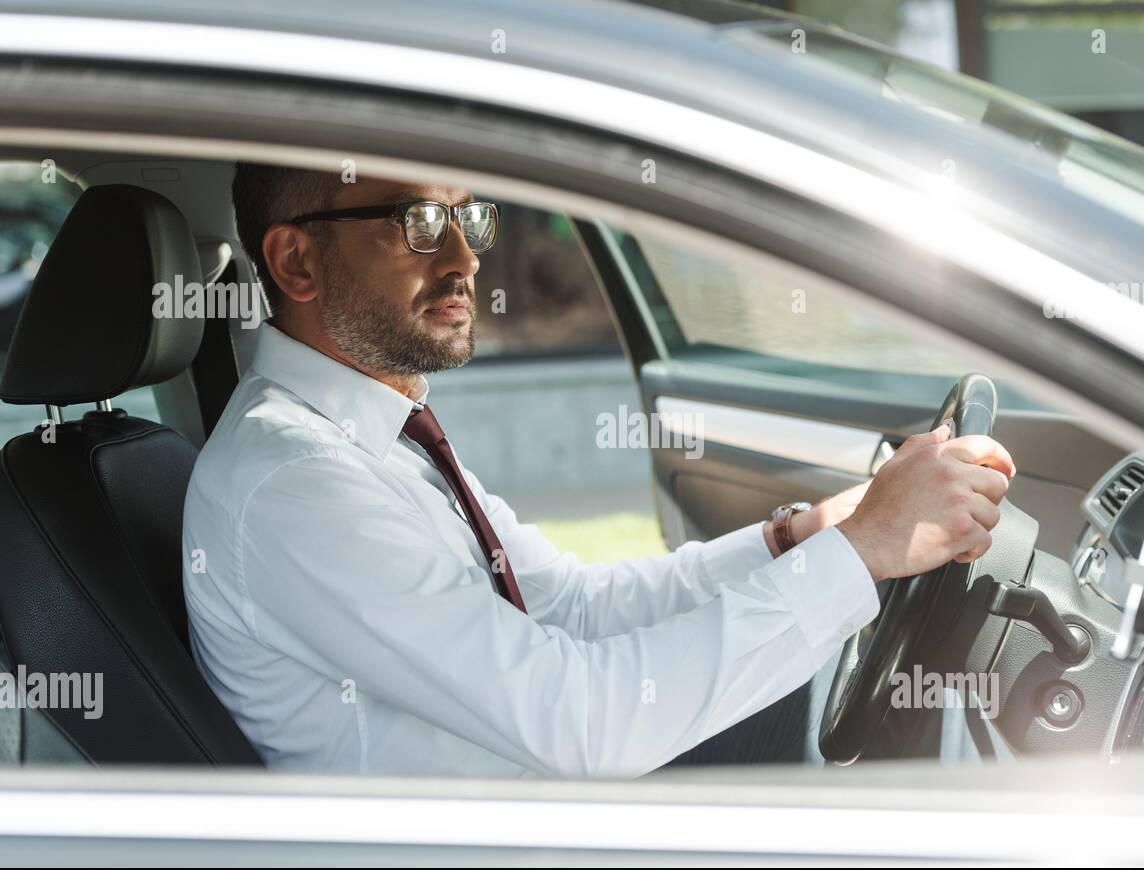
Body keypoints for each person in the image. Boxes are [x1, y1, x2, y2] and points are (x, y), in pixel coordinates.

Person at [181, 164, 1015, 778]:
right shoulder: (295, 485)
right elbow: (584, 724)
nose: (467, 261)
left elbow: (575, 607)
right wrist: (864, 553)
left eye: (471, 222)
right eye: (419, 223)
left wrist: (803, 535)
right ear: (295, 263)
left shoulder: (379, 437)